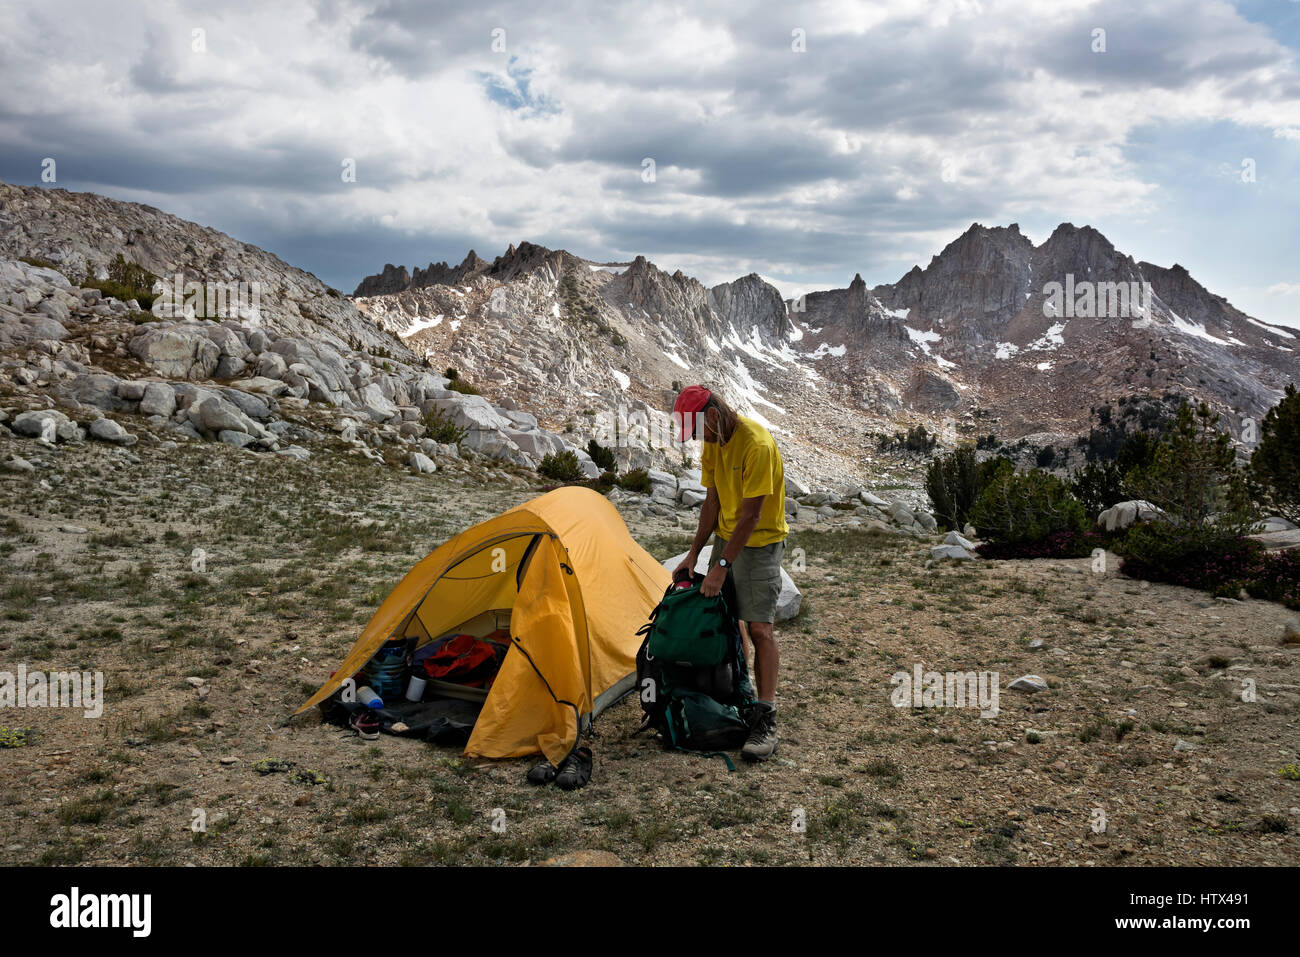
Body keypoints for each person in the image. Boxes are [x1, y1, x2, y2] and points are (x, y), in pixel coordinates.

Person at [671, 385, 787, 761]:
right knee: (728, 619)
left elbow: (751, 516)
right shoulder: (714, 444)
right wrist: (694, 554)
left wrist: (721, 567)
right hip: (726, 537)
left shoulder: (757, 445)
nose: (698, 438)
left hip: (761, 542)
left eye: (698, 429)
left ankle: (767, 716)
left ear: (714, 416)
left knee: (759, 627)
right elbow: (713, 501)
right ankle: (743, 693)